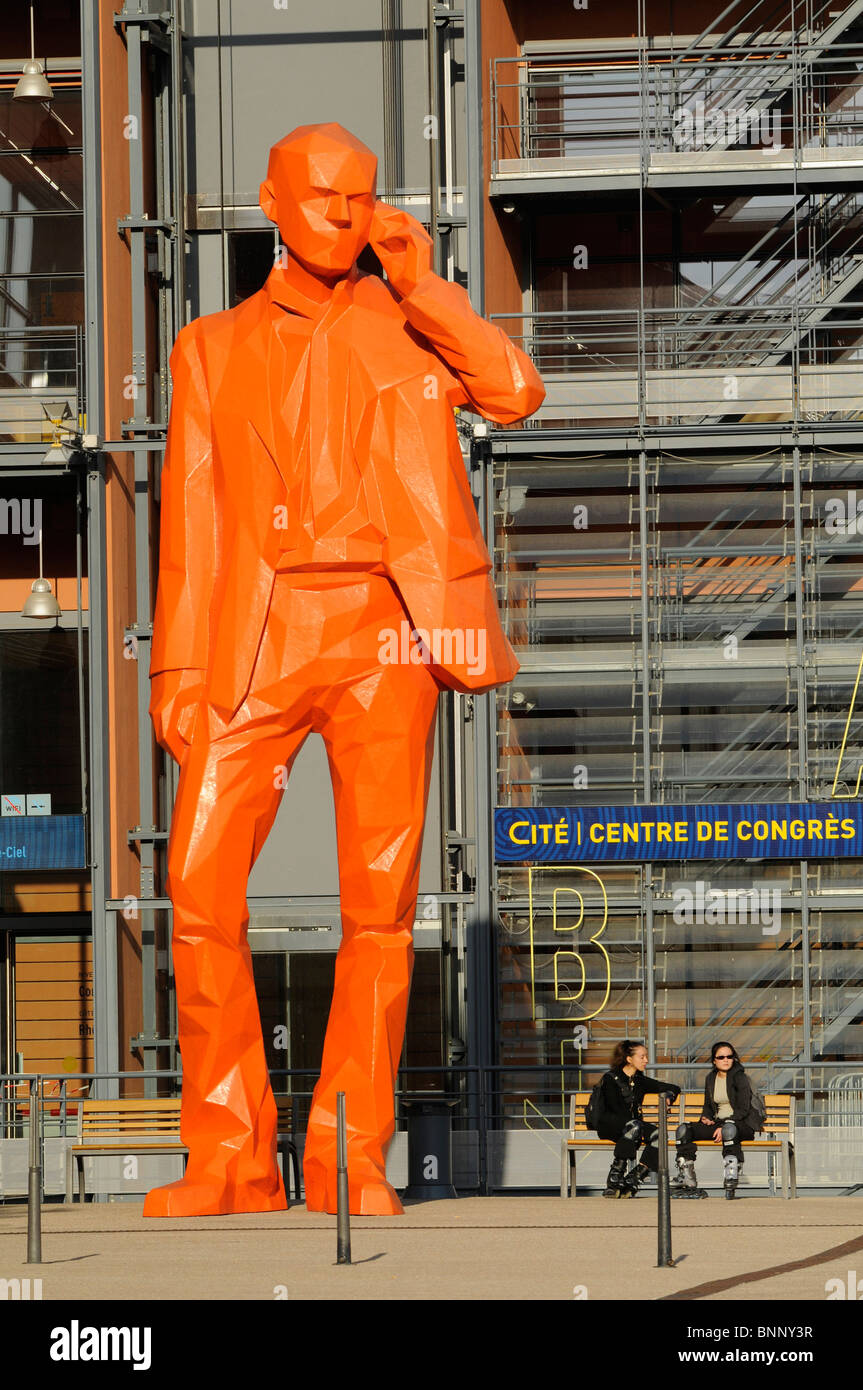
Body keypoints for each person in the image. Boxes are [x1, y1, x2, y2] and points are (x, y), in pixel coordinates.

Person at [144, 122, 545, 1219]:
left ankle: (345, 1153)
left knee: (380, 906)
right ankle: (228, 1153)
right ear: (269, 200)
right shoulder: (207, 348)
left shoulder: (410, 326)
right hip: (255, 632)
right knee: (196, 891)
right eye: (319, 194)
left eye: (360, 196)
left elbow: (513, 391)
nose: (340, 212)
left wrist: (430, 288)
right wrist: (175, 666)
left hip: (386, 634)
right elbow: (192, 518)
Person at [675, 1041, 761, 1199]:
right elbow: (708, 1105)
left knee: (729, 1130)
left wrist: (726, 1124)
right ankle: (687, 1178)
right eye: (721, 1057)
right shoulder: (711, 1078)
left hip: (741, 1124)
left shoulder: (740, 1077)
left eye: (730, 1056)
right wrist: (706, 1117)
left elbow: (743, 1109)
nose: (726, 1060)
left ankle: (731, 1176)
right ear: (714, 1061)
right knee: (684, 1130)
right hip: (719, 1123)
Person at [596, 1040, 680, 1197]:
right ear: (629, 1059)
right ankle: (614, 1178)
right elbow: (614, 1111)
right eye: (642, 1057)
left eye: (646, 1057)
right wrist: (638, 1127)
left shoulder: (640, 1080)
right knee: (634, 1126)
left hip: (633, 1125)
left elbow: (674, 1087)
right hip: (610, 1125)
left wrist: (669, 1096)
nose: (646, 1060)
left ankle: (635, 1177)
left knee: (659, 1135)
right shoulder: (610, 1079)